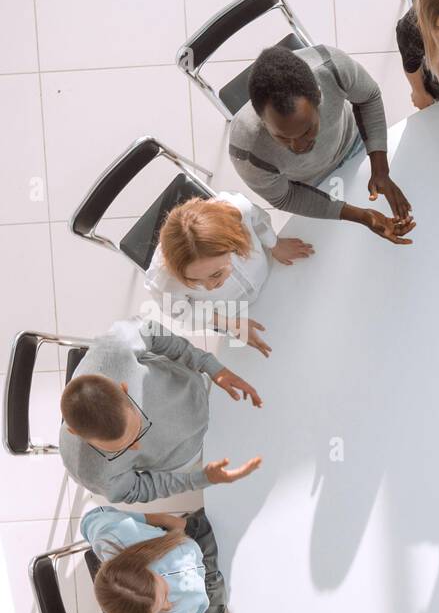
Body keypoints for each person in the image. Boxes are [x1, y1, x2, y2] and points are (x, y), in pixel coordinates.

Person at [59, 318, 262, 505]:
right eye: (122, 448)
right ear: (74, 433)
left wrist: (208, 364)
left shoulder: (115, 351)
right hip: (188, 455)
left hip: (196, 387)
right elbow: (137, 489)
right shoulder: (89, 470)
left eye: (135, 432)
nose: (137, 446)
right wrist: (200, 479)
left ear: (124, 388)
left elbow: (152, 332)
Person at [229, 43, 415, 244]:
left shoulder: (333, 68)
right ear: (262, 121)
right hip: (314, 186)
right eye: (283, 137)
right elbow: (285, 197)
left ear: (319, 95)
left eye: (307, 130)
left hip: (356, 140)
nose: (299, 147)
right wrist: (361, 216)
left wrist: (380, 170)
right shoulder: (247, 152)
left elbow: (368, 98)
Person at [81, 505, 267, 613]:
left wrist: (166, 521)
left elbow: (91, 518)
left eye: (164, 594)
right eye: (160, 609)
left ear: (142, 564)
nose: (169, 607)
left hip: (189, 538)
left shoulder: (113, 533)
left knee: (233, 516)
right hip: (208, 594)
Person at [146, 191, 313, 356]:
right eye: (194, 280)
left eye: (216, 274)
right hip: (232, 312)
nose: (210, 287)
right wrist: (229, 323)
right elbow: (179, 310)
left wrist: (275, 245)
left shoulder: (240, 211)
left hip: (270, 276)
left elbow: (259, 221)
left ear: (233, 243)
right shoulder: (164, 281)